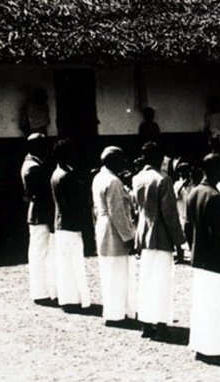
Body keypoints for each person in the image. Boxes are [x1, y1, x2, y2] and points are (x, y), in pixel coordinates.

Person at [186, 154, 220, 363]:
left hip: (200, 258)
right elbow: (219, 235)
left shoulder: (194, 192)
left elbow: (188, 227)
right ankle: (216, 350)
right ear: (215, 170)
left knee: (203, 305)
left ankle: (202, 347)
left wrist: (194, 250)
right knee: (218, 306)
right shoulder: (216, 197)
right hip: (215, 261)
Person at [132, 142, 184, 339]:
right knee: (161, 282)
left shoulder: (137, 178)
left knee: (146, 280)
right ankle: (161, 325)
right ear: (160, 158)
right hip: (161, 235)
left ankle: (146, 324)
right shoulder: (164, 180)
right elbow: (169, 213)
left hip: (143, 233)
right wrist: (179, 239)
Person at [92, 146, 137, 325]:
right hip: (114, 232)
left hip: (103, 226)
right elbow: (118, 213)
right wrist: (129, 237)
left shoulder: (98, 177)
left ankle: (114, 312)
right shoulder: (113, 182)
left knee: (109, 274)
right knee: (118, 275)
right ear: (113, 161)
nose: (123, 163)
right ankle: (116, 315)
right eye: (121, 159)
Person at [50, 139, 92, 313]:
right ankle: (78, 300)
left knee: (65, 263)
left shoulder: (56, 173)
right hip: (71, 224)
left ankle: (68, 298)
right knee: (75, 263)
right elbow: (76, 202)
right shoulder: (68, 175)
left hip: (61, 223)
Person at [21, 133, 55, 305]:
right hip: (40, 213)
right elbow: (42, 195)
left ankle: (42, 290)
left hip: (39, 212)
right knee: (40, 253)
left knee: (40, 252)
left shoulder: (34, 164)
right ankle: (40, 292)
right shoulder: (33, 167)